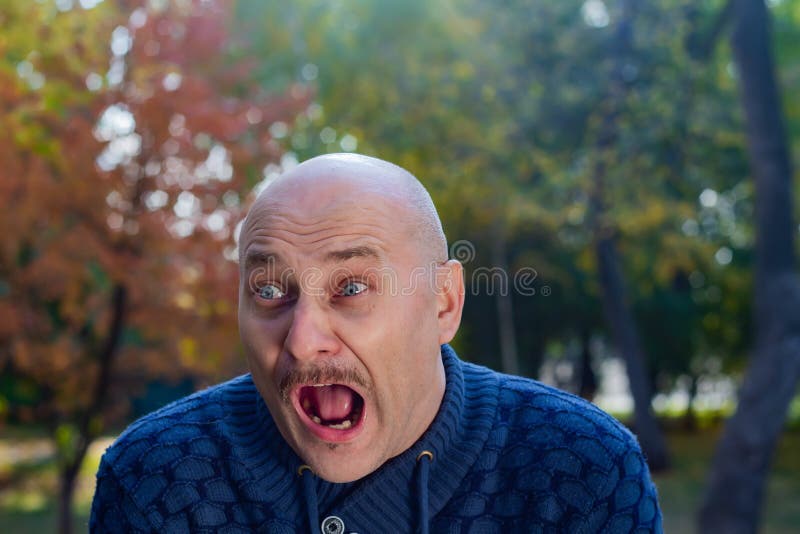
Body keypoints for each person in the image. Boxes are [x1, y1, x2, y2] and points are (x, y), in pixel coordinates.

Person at [90, 153, 662, 533]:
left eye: (352, 287)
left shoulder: (584, 469)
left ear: (444, 303)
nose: (303, 340)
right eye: (269, 289)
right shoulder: (152, 479)